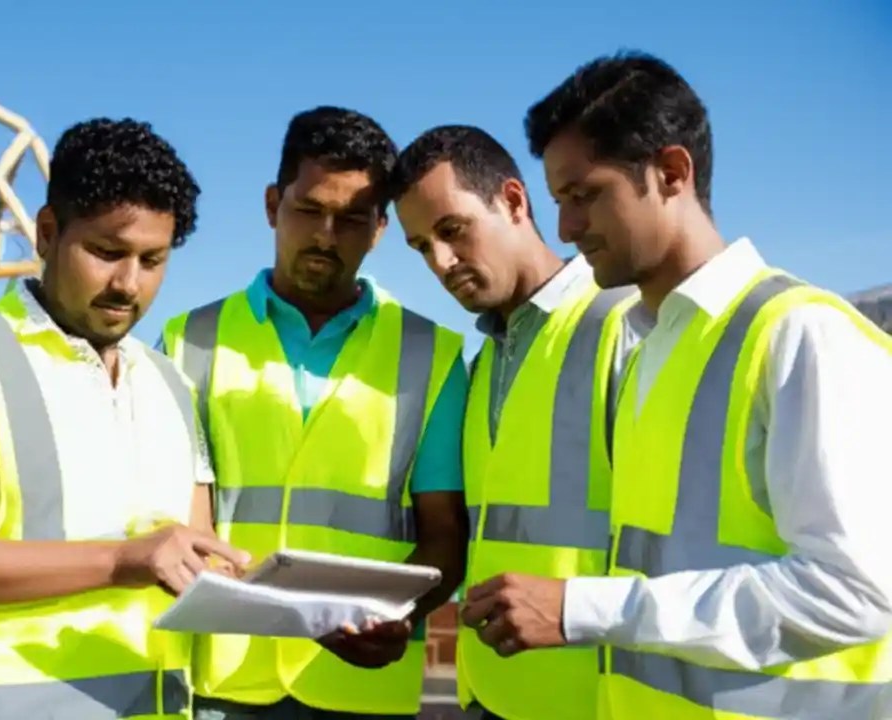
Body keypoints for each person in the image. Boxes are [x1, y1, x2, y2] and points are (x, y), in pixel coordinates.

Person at [464, 50, 892, 720]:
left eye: (584, 196)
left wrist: (583, 608)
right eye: (557, 203)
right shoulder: (654, 346)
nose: (567, 230)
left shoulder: (803, 336)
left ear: (671, 173)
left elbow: (858, 592)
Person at [0, 117, 250, 720]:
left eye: (153, 260)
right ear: (47, 233)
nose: (129, 284)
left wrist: (317, 619)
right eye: (106, 252)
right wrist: (120, 561)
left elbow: (189, 567)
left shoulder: (170, 384)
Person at [157, 105, 469, 719]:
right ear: (273, 204)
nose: (327, 235)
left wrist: (400, 618)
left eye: (352, 219)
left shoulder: (434, 354)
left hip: (365, 687)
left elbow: (445, 534)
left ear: (380, 228)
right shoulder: (188, 339)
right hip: (224, 682)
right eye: (309, 210)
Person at [389, 125, 637, 720]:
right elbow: (473, 551)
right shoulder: (478, 368)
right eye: (422, 246)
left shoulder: (628, 326)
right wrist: (439, 698)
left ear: (515, 201)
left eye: (452, 231)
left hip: (597, 701)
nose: (441, 263)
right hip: (485, 699)